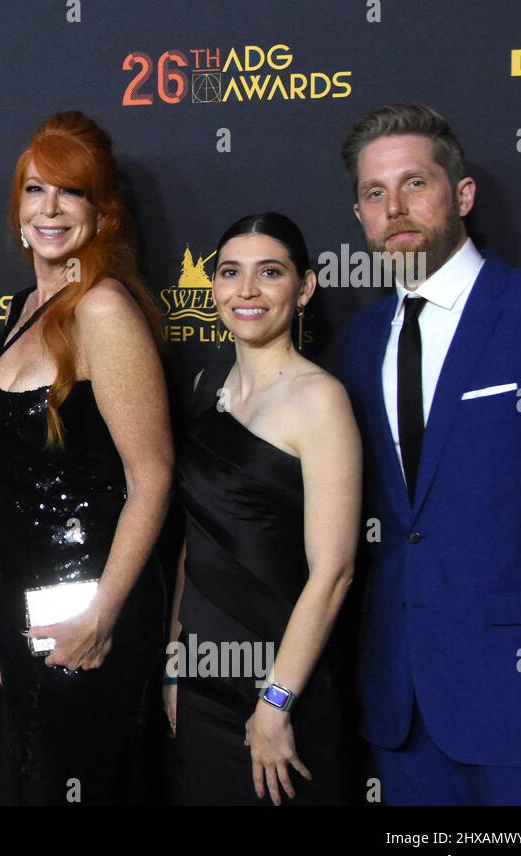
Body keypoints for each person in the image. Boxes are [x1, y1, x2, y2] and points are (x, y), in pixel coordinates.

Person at [337, 103, 521, 805]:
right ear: (359, 216)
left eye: (415, 183)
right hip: (401, 709)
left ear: (461, 195)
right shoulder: (356, 346)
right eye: (375, 193)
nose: (395, 208)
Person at [0, 111, 171, 805]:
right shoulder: (23, 307)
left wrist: (103, 613)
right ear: (17, 207)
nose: (51, 209)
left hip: (97, 604)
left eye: (73, 192)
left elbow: (151, 479)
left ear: (103, 210)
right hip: (27, 599)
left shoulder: (103, 311)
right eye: (36, 190)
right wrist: (9, 610)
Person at [165, 213, 360, 806]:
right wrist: (176, 661)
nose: (246, 291)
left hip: (283, 688)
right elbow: (194, 540)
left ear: (304, 289)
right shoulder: (203, 386)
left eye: (269, 273)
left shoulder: (320, 399)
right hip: (201, 683)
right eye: (230, 273)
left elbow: (334, 573)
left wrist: (276, 703)